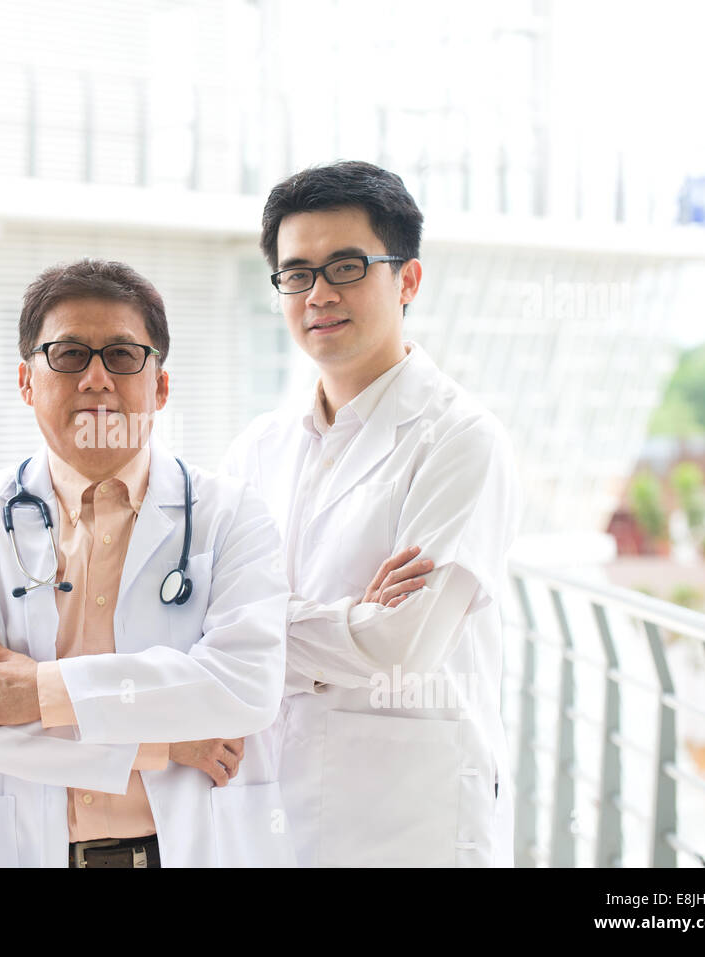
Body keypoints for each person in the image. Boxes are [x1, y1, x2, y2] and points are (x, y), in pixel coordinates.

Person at [0, 259, 292, 867]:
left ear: (160, 386)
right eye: (67, 355)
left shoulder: (231, 515)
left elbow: (244, 689)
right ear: (26, 381)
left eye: (122, 355)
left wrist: (38, 690)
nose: (95, 379)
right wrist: (161, 743)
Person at [222, 160, 523, 867]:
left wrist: (260, 626)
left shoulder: (460, 440)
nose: (318, 293)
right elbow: (212, 632)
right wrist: (347, 622)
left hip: (411, 826)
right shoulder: (255, 451)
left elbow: (404, 645)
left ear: (407, 279)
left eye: (346, 266)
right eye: (296, 273)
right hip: (270, 820)